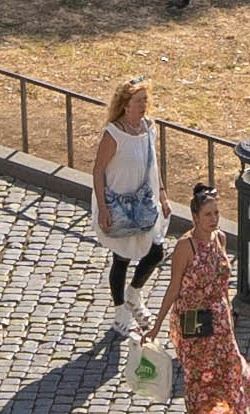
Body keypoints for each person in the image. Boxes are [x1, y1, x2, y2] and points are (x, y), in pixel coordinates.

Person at [165, 173, 250, 414]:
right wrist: (155, 327)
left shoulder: (220, 239)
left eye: (216, 213)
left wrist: (229, 317)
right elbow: (174, 288)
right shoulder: (185, 247)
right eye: (208, 214)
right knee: (200, 375)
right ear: (195, 217)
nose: (214, 219)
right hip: (193, 318)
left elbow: (222, 283)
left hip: (220, 318)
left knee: (231, 368)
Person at [91, 74, 172, 345]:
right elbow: (98, 169)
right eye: (139, 101)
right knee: (121, 258)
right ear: (125, 105)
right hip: (118, 204)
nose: (144, 105)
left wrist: (162, 193)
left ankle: (134, 294)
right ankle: (120, 315)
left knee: (156, 251)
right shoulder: (113, 134)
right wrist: (103, 208)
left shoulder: (148, 127)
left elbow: (153, 164)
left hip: (143, 202)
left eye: (145, 100)